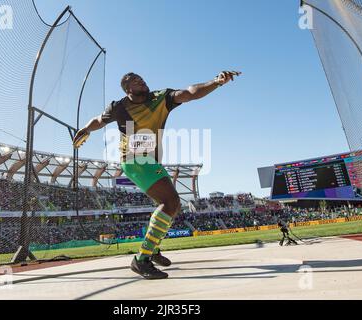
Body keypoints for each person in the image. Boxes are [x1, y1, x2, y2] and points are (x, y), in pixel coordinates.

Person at [74, 70, 241, 279]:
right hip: (134, 160)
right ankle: (141, 260)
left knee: (172, 205)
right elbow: (99, 119)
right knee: (170, 202)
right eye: (135, 80)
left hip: (150, 161)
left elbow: (190, 92)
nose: (141, 80)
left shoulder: (161, 98)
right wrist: (86, 129)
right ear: (128, 89)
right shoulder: (120, 106)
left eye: (141, 77)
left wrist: (216, 82)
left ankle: (152, 249)